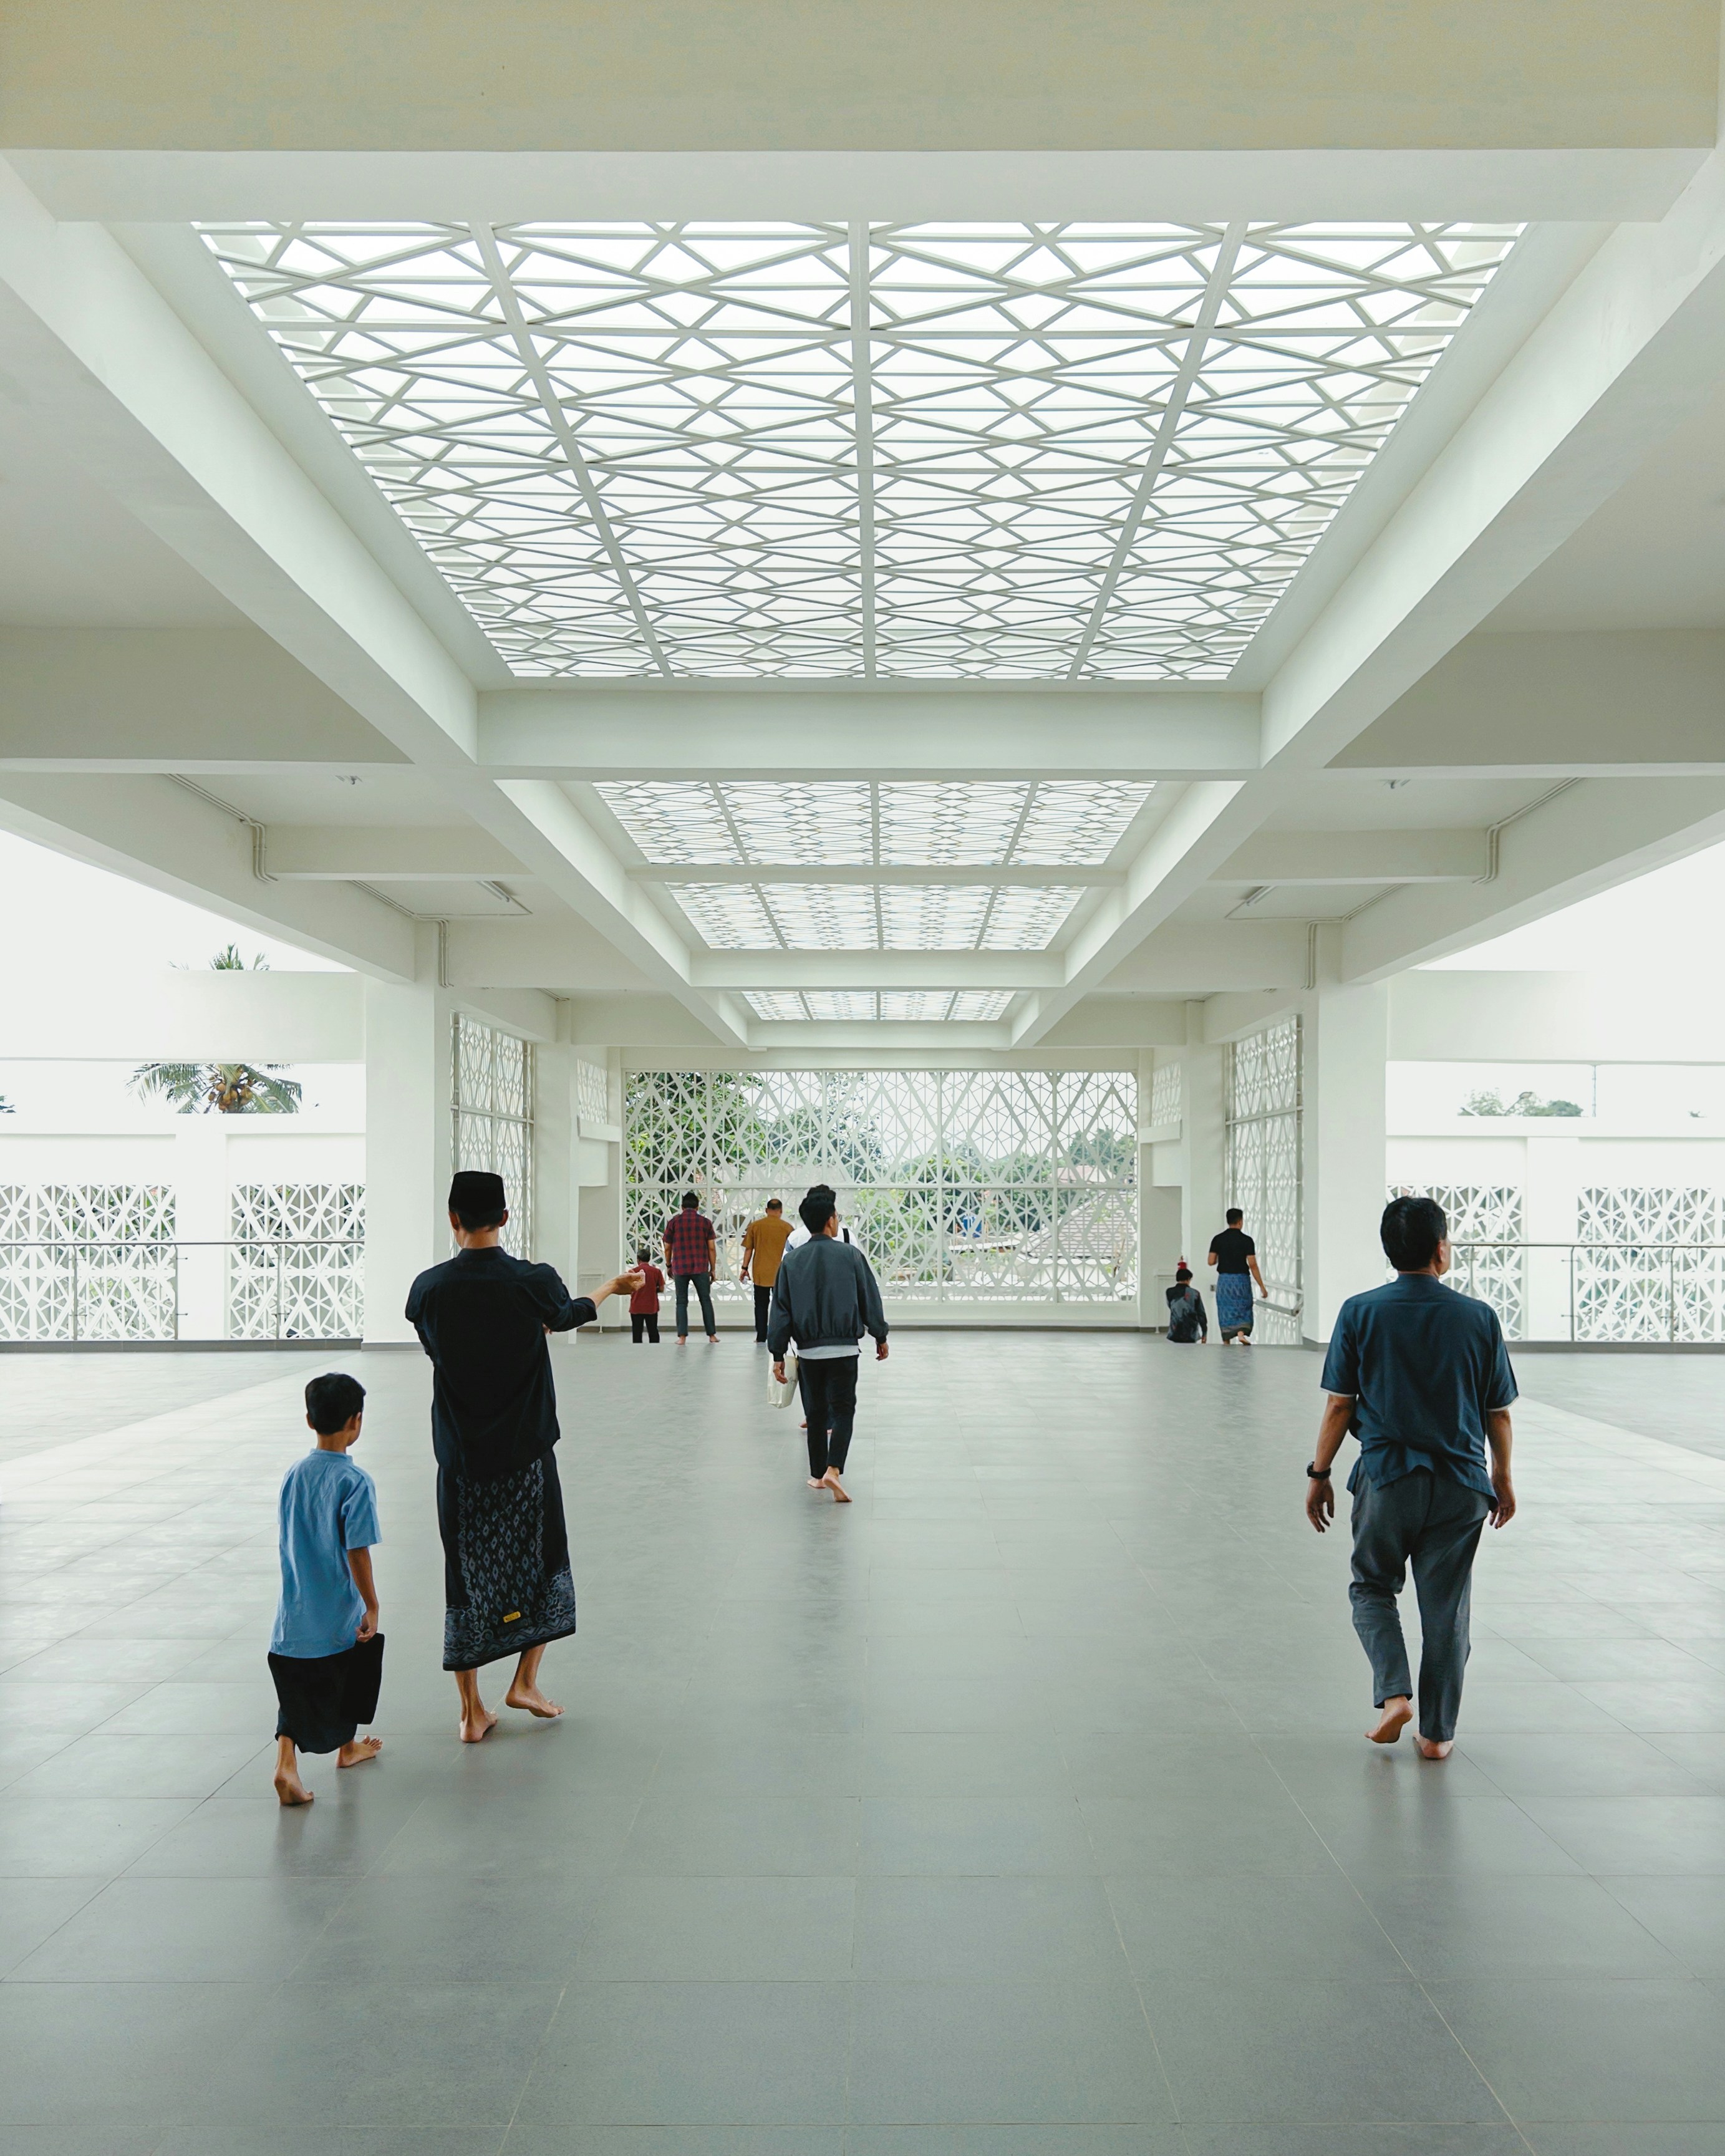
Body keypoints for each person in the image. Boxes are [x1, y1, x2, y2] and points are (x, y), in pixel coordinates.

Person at [406, 1171, 642, 1743]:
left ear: (452, 1217)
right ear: (506, 1218)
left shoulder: (428, 1290)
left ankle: (470, 1711)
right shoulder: (532, 1281)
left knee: (464, 1575)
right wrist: (613, 1286)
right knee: (542, 1561)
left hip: (461, 1459)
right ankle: (525, 1681)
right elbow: (568, 1314)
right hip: (526, 1452)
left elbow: (438, 1345)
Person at [1306, 1194, 1519, 1760]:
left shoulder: (1360, 1311)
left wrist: (1319, 1472)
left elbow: (1340, 1406)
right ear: (1441, 1250)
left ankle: (1394, 1694)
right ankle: (1437, 1735)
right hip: (1461, 1485)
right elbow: (1498, 1412)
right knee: (1447, 1609)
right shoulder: (1479, 1318)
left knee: (1372, 1585)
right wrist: (1503, 1476)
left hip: (1388, 1479)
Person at [268, 1371, 384, 1807]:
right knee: (348, 1681)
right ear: (356, 1422)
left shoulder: (293, 1475)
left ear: (309, 1419)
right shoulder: (355, 1482)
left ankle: (286, 1764)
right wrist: (371, 1605)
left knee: (294, 1698)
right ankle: (347, 1747)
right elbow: (357, 1552)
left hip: (292, 1621)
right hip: (336, 1618)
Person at [768, 1183, 889, 1503]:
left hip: (808, 1351)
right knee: (844, 1409)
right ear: (831, 1221)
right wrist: (880, 1334)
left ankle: (819, 1476)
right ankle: (834, 1469)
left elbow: (780, 1309)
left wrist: (778, 1353)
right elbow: (869, 1297)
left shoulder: (791, 1263)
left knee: (817, 1413)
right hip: (845, 1349)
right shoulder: (850, 1255)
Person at [663, 1190, 719, 1345]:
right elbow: (712, 1248)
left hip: (680, 1268)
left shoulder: (674, 1222)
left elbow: (667, 1247)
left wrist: (669, 1265)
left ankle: (682, 1338)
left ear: (682, 1207)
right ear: (697, 1206)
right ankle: (712, 1336)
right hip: (700, 1267)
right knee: (705, 1301)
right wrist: (712, 1269)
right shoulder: (705, 1223)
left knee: (681, 1302)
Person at [1208, 1206, 1266, 1345]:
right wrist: (1262, 1287)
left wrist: (1221, 1257)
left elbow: (1211, 1261)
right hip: (1241, 1280)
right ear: (1240, 1221)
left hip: (1225, 1281)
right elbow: (1253, 1265)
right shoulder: (1247, 1240)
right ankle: (1241, 1334)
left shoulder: (1218, 1239)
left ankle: (1227, 1341)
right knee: (1243, 1306)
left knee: (1225, 1308)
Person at [740, 1198, 793, 1344]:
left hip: (760, 1273)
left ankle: (761, 1336)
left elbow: (749, 1249)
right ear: (781, 1211)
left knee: (761, 1305)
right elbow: (793, 1252)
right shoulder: (787, 1228)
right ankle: (781, 1335)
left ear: (766, 1210)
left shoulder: (755, 1226)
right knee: (781, 1306)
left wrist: (744, 1268)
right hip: (781, 1273)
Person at [1164, 1263, 1207, 1343]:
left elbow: (1170, 1306)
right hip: (1191, 1331)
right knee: (1190, 1354)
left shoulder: (1169, 1292)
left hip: (1175, 1329)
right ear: (1188, 1279)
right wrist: (1204, 1333)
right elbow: (1201, 1314)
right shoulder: (1195, 1293)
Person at [629, 1245, 665, 1344]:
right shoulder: (656, 1272)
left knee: (637, 1333)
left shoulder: (633, 1272)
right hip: (651, 1306)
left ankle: (638, 1353)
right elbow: (662, 1289)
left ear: (638, 1259)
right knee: (653, 1331)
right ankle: (654, 1352)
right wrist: (653, 1290)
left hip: (636, 1307)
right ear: (649, 1259)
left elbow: (629, 1289)